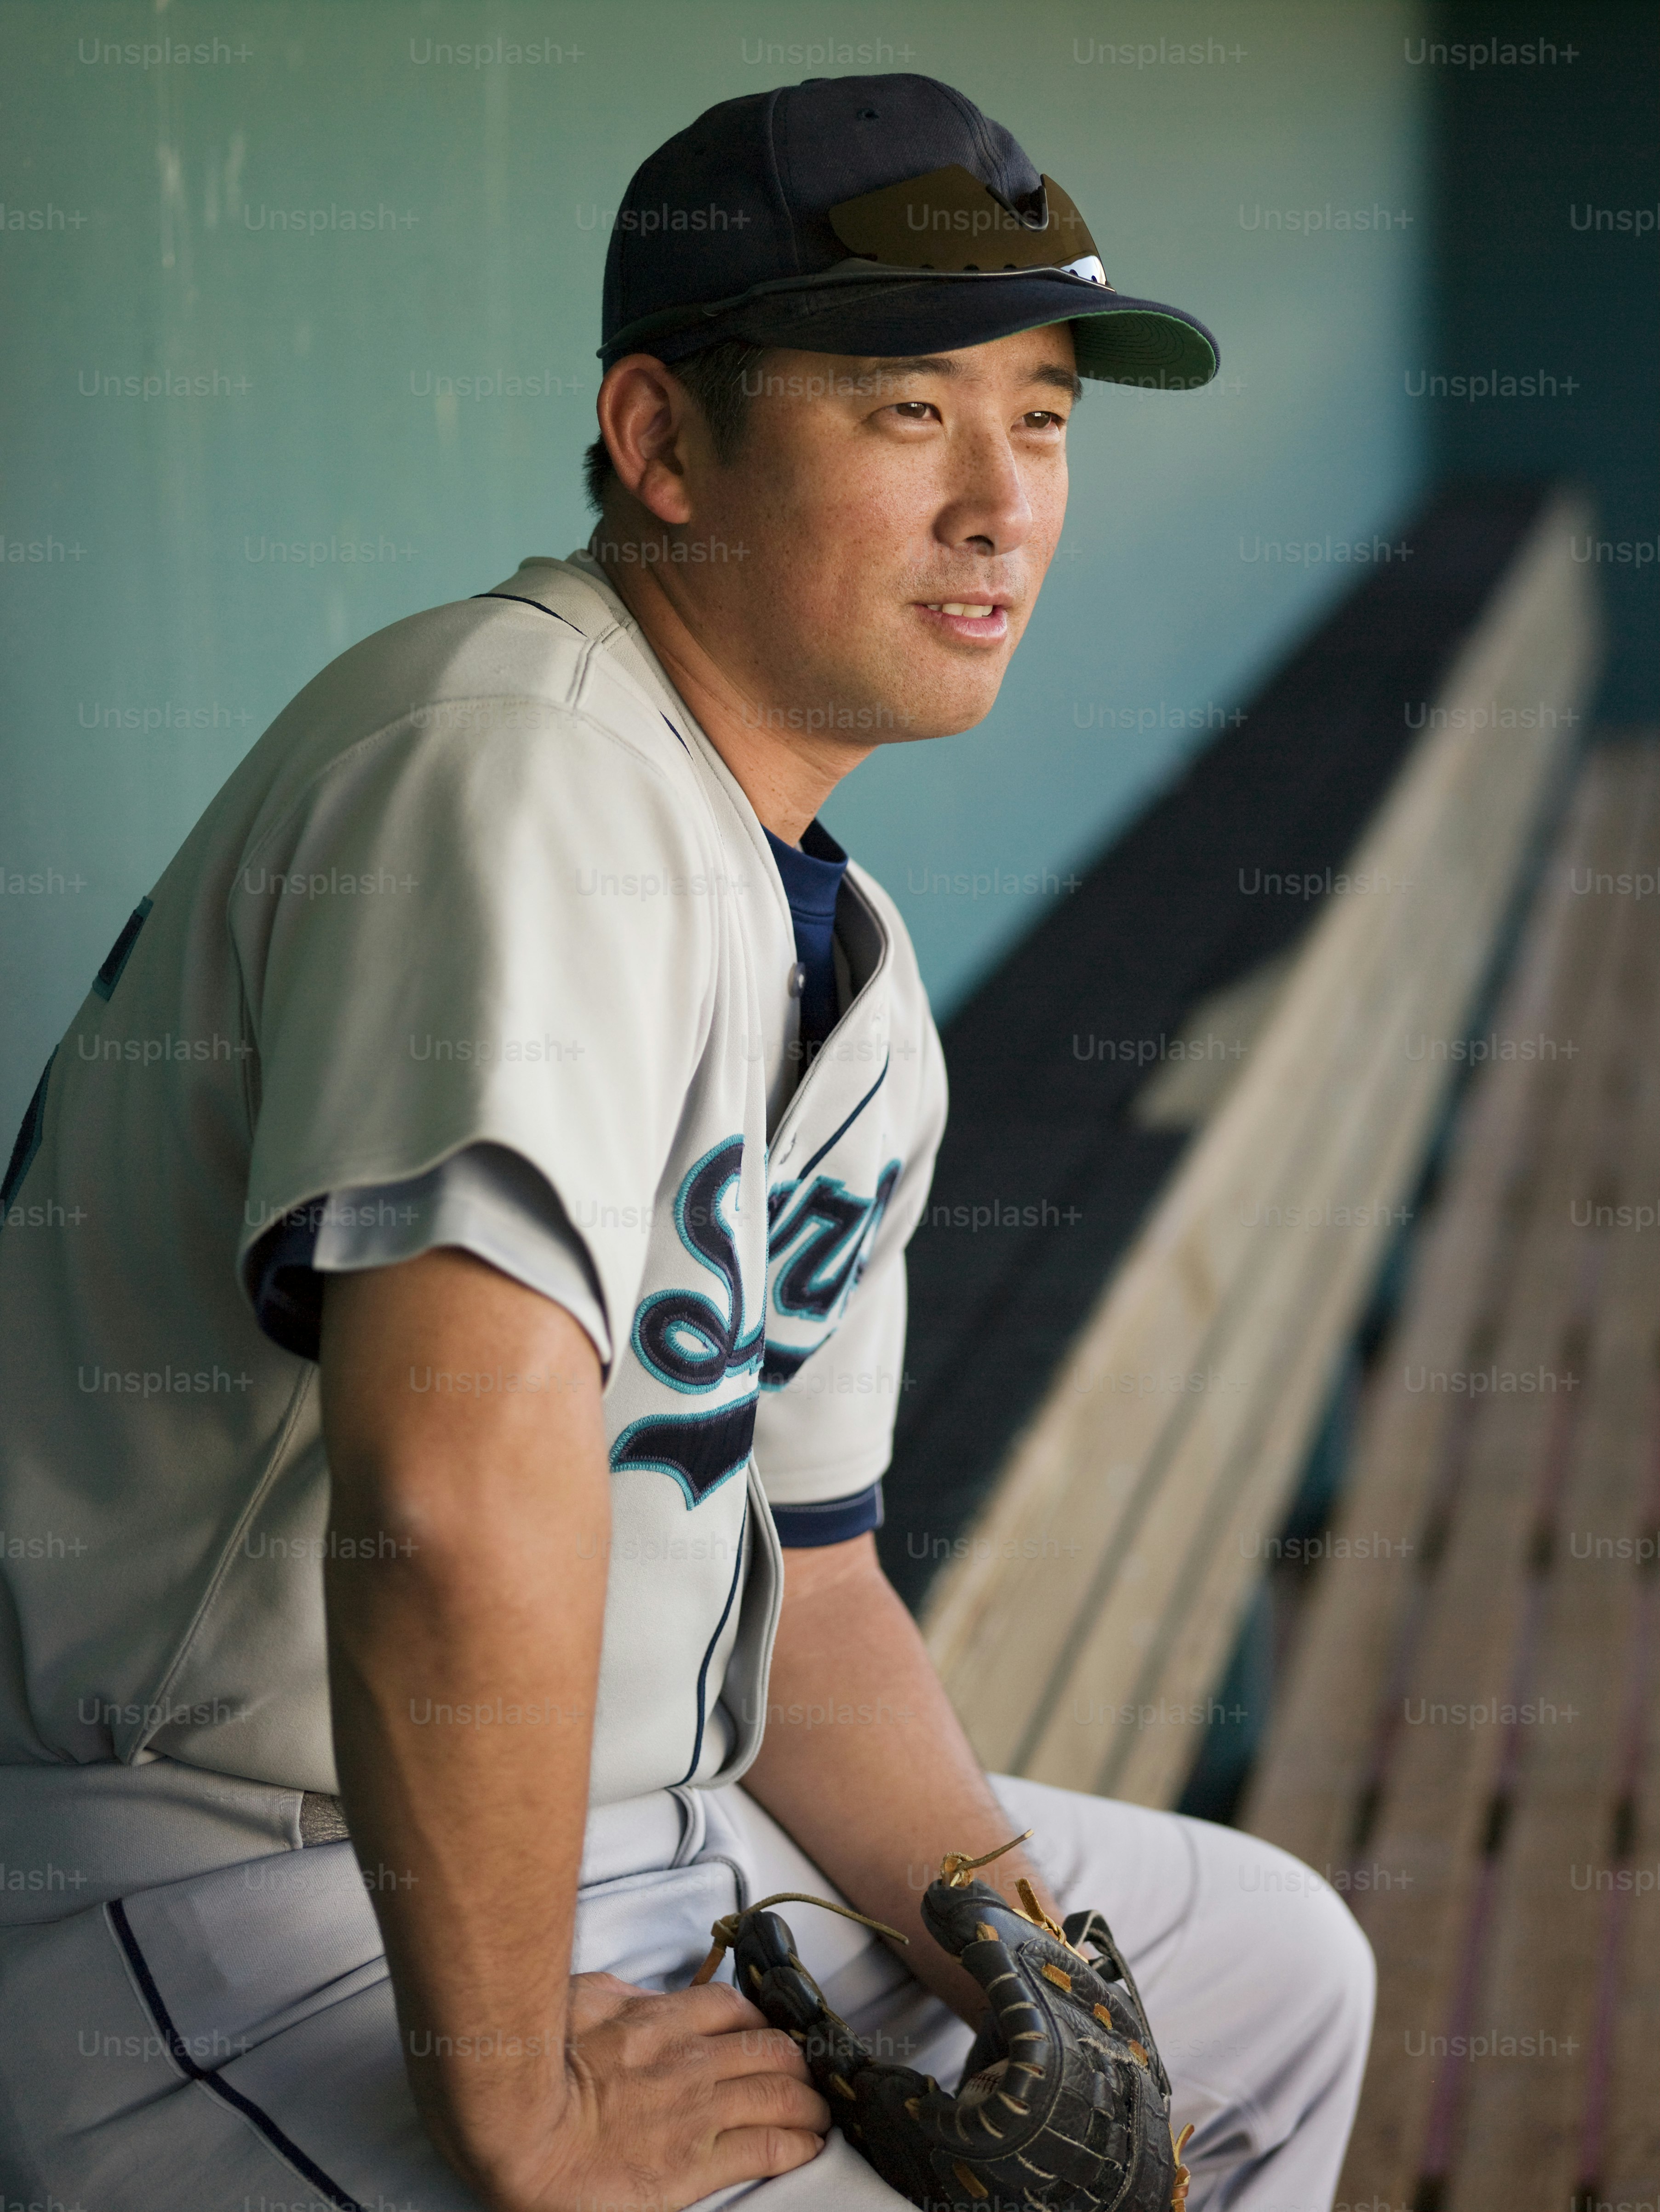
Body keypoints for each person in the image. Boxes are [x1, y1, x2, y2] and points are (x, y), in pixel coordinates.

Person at [0, 72, 1373, 2212]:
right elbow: (449, 1501)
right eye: (909, 411)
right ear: (659, 440)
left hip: (647, 1835)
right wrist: (525, 2114)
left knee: (1270, 1981)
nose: (1005, 500)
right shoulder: (512, 770)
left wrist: (1010, 1941)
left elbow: (810, 1596)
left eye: (1047, 414)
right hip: (254, 1899)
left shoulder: (854, 966)